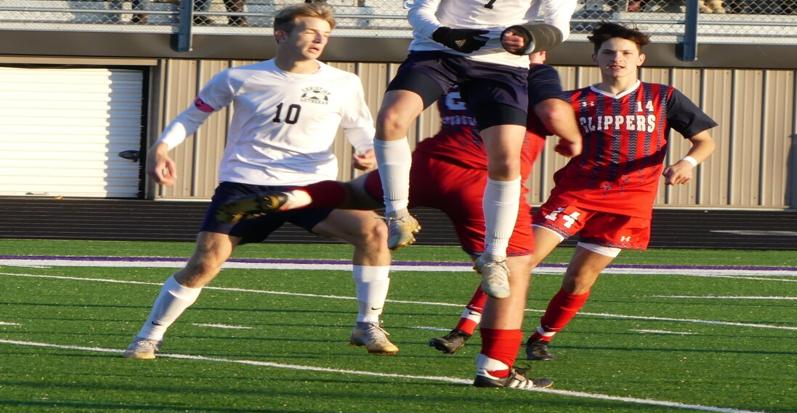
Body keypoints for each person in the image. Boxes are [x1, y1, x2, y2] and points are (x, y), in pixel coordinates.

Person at [218, 54, 580, 389]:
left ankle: (294, 197)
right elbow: (551, 112)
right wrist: (572, 137)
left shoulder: (455, 60)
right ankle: (496, 367)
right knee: (514, 267)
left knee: (355, 193)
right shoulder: (527, 67)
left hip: (430, 160)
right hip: (482, 178)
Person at [431, 21, 716, 378]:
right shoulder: (575, 101)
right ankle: (462, 329)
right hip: (576, 195)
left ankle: (541, 338)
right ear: (596, 57)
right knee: (519, 261)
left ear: (640, 59)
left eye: (626, 53)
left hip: (630, 204)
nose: (618, 58)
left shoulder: (663, 97)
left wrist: (686, 162)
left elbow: (705, 141)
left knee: (579, 281)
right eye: (609, 52)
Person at [122, 4, 393, 360]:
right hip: (246, 187)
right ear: (281, 35)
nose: (319, 39)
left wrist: (365, 153)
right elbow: (192, 116)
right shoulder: (238, 78)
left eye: (325, 34)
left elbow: (360, 128)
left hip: (310, 189)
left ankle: (367, 323)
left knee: (374, 231)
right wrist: (161, 147)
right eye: (311, 31)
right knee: (205, 263)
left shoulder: (343, 82)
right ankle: (148, 337)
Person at [373, 0, 576, 301]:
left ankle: (494, 257)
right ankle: (397, 214)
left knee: (507, 162)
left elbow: (557, 26)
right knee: (391, 119)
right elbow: (419, 11)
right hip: (438, 51)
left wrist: (527, 36)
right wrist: (444, 34)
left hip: (502, 62)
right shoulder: (440, 39)